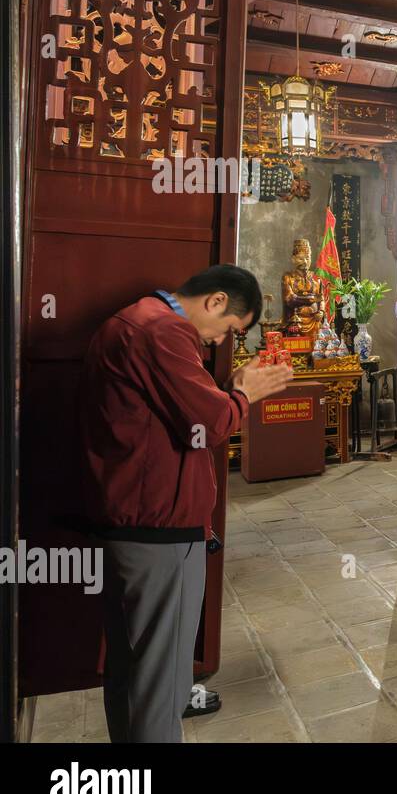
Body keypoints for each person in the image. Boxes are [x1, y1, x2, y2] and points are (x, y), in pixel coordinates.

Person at [78, 264, 293, 742]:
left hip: (131, 521)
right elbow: (209, 426)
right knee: (160, 686)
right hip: (157, 531)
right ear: (215, 301)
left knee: (132, 673)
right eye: (229, 330)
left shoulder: (135, 321)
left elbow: (176, 414)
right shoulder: (163, 330)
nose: (219, 343)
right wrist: (244, 394)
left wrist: (224, 393)